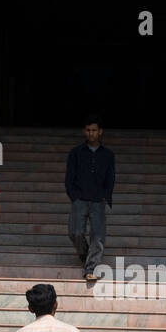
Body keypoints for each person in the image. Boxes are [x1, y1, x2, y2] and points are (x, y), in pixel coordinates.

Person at [65, 114, 115, 282]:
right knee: (75, 232)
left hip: (98, 199)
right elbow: (69, 177)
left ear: (100, 132)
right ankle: (86, 255)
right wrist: (74, 195)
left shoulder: (108, 154)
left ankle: (91, 268)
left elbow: (111, 177)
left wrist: (106, 195)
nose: (91, 133)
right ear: (84, 131)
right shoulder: (76, 153)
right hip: (80, 197)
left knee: (98, 235)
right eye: (88, 130)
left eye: (94, 130)